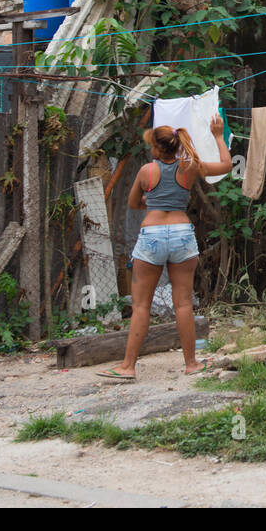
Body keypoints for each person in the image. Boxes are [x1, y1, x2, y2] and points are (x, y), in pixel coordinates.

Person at [98, 116, 230, 381]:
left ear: (156, 149)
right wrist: (217, 135)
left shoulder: (146, 171)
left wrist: (153, 199)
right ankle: (191, 363)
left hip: (152, 234)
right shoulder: (189, 167)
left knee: (141, 306)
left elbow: (134, 203)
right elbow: (226, 165)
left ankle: (128, 367)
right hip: (182, 235)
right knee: (183, 304)